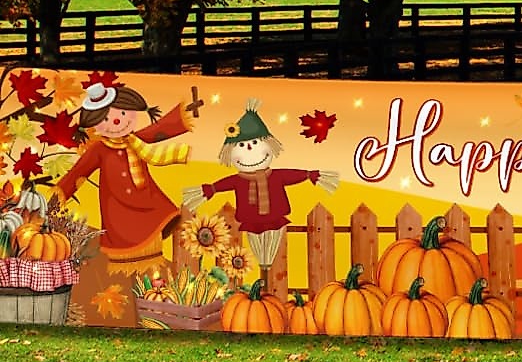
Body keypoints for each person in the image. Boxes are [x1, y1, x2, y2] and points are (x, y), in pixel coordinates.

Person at [55, 77, 201, 272]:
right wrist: (59, 195)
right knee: (124, 246)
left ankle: (154, 269)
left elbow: (159, 130)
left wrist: (184, 114)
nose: (116, 121)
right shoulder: (99, 149)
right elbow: (78, 172)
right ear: (94, 125)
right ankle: (127, 275)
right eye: (105, 119)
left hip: (147, 202)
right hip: (117, 207)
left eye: (122, 113)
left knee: (152, 241)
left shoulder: (136, 140)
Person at [183, 101, 338, 271]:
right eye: (241, 145)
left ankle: (267, 266)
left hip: (275, 217)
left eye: (255, 143)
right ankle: (263, 267)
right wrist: (209, 189)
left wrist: (310, 175)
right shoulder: (239, 180)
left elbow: (292, 175)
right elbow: (223, 185)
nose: (249, 148)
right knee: (257, 248)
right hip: (251, 219)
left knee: (272, 246)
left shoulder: (275, 176)